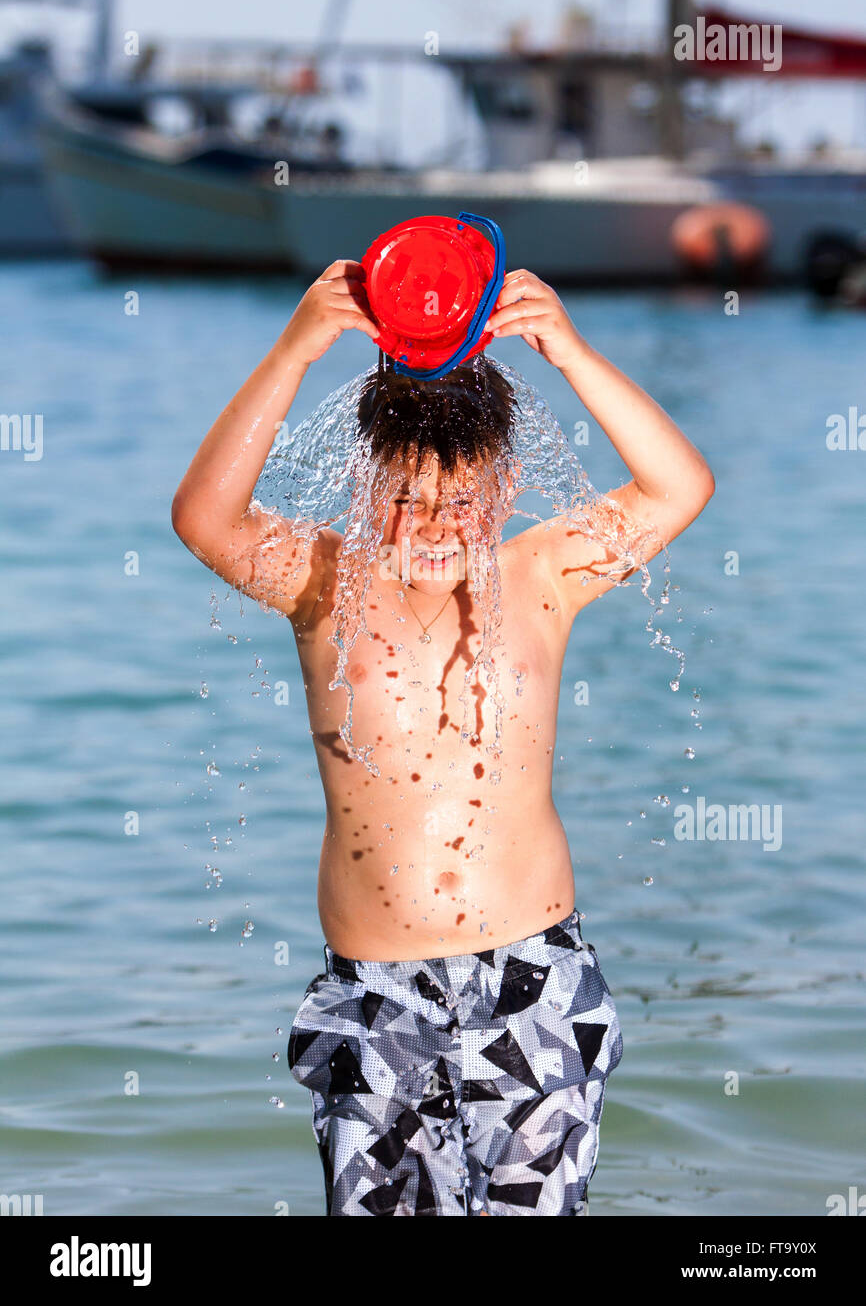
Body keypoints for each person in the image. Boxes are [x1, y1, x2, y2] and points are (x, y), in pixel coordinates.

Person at [171, 259, 714, 1216]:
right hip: (375, 994)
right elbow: (205, 517)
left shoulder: (541, 578)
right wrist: (297, 346)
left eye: (458, 501)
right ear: (361, 481)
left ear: (503, 487)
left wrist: (570, 351)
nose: (430, 525)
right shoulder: (322, 585)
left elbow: (679, 487)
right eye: (403, 498)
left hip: (531, 980)